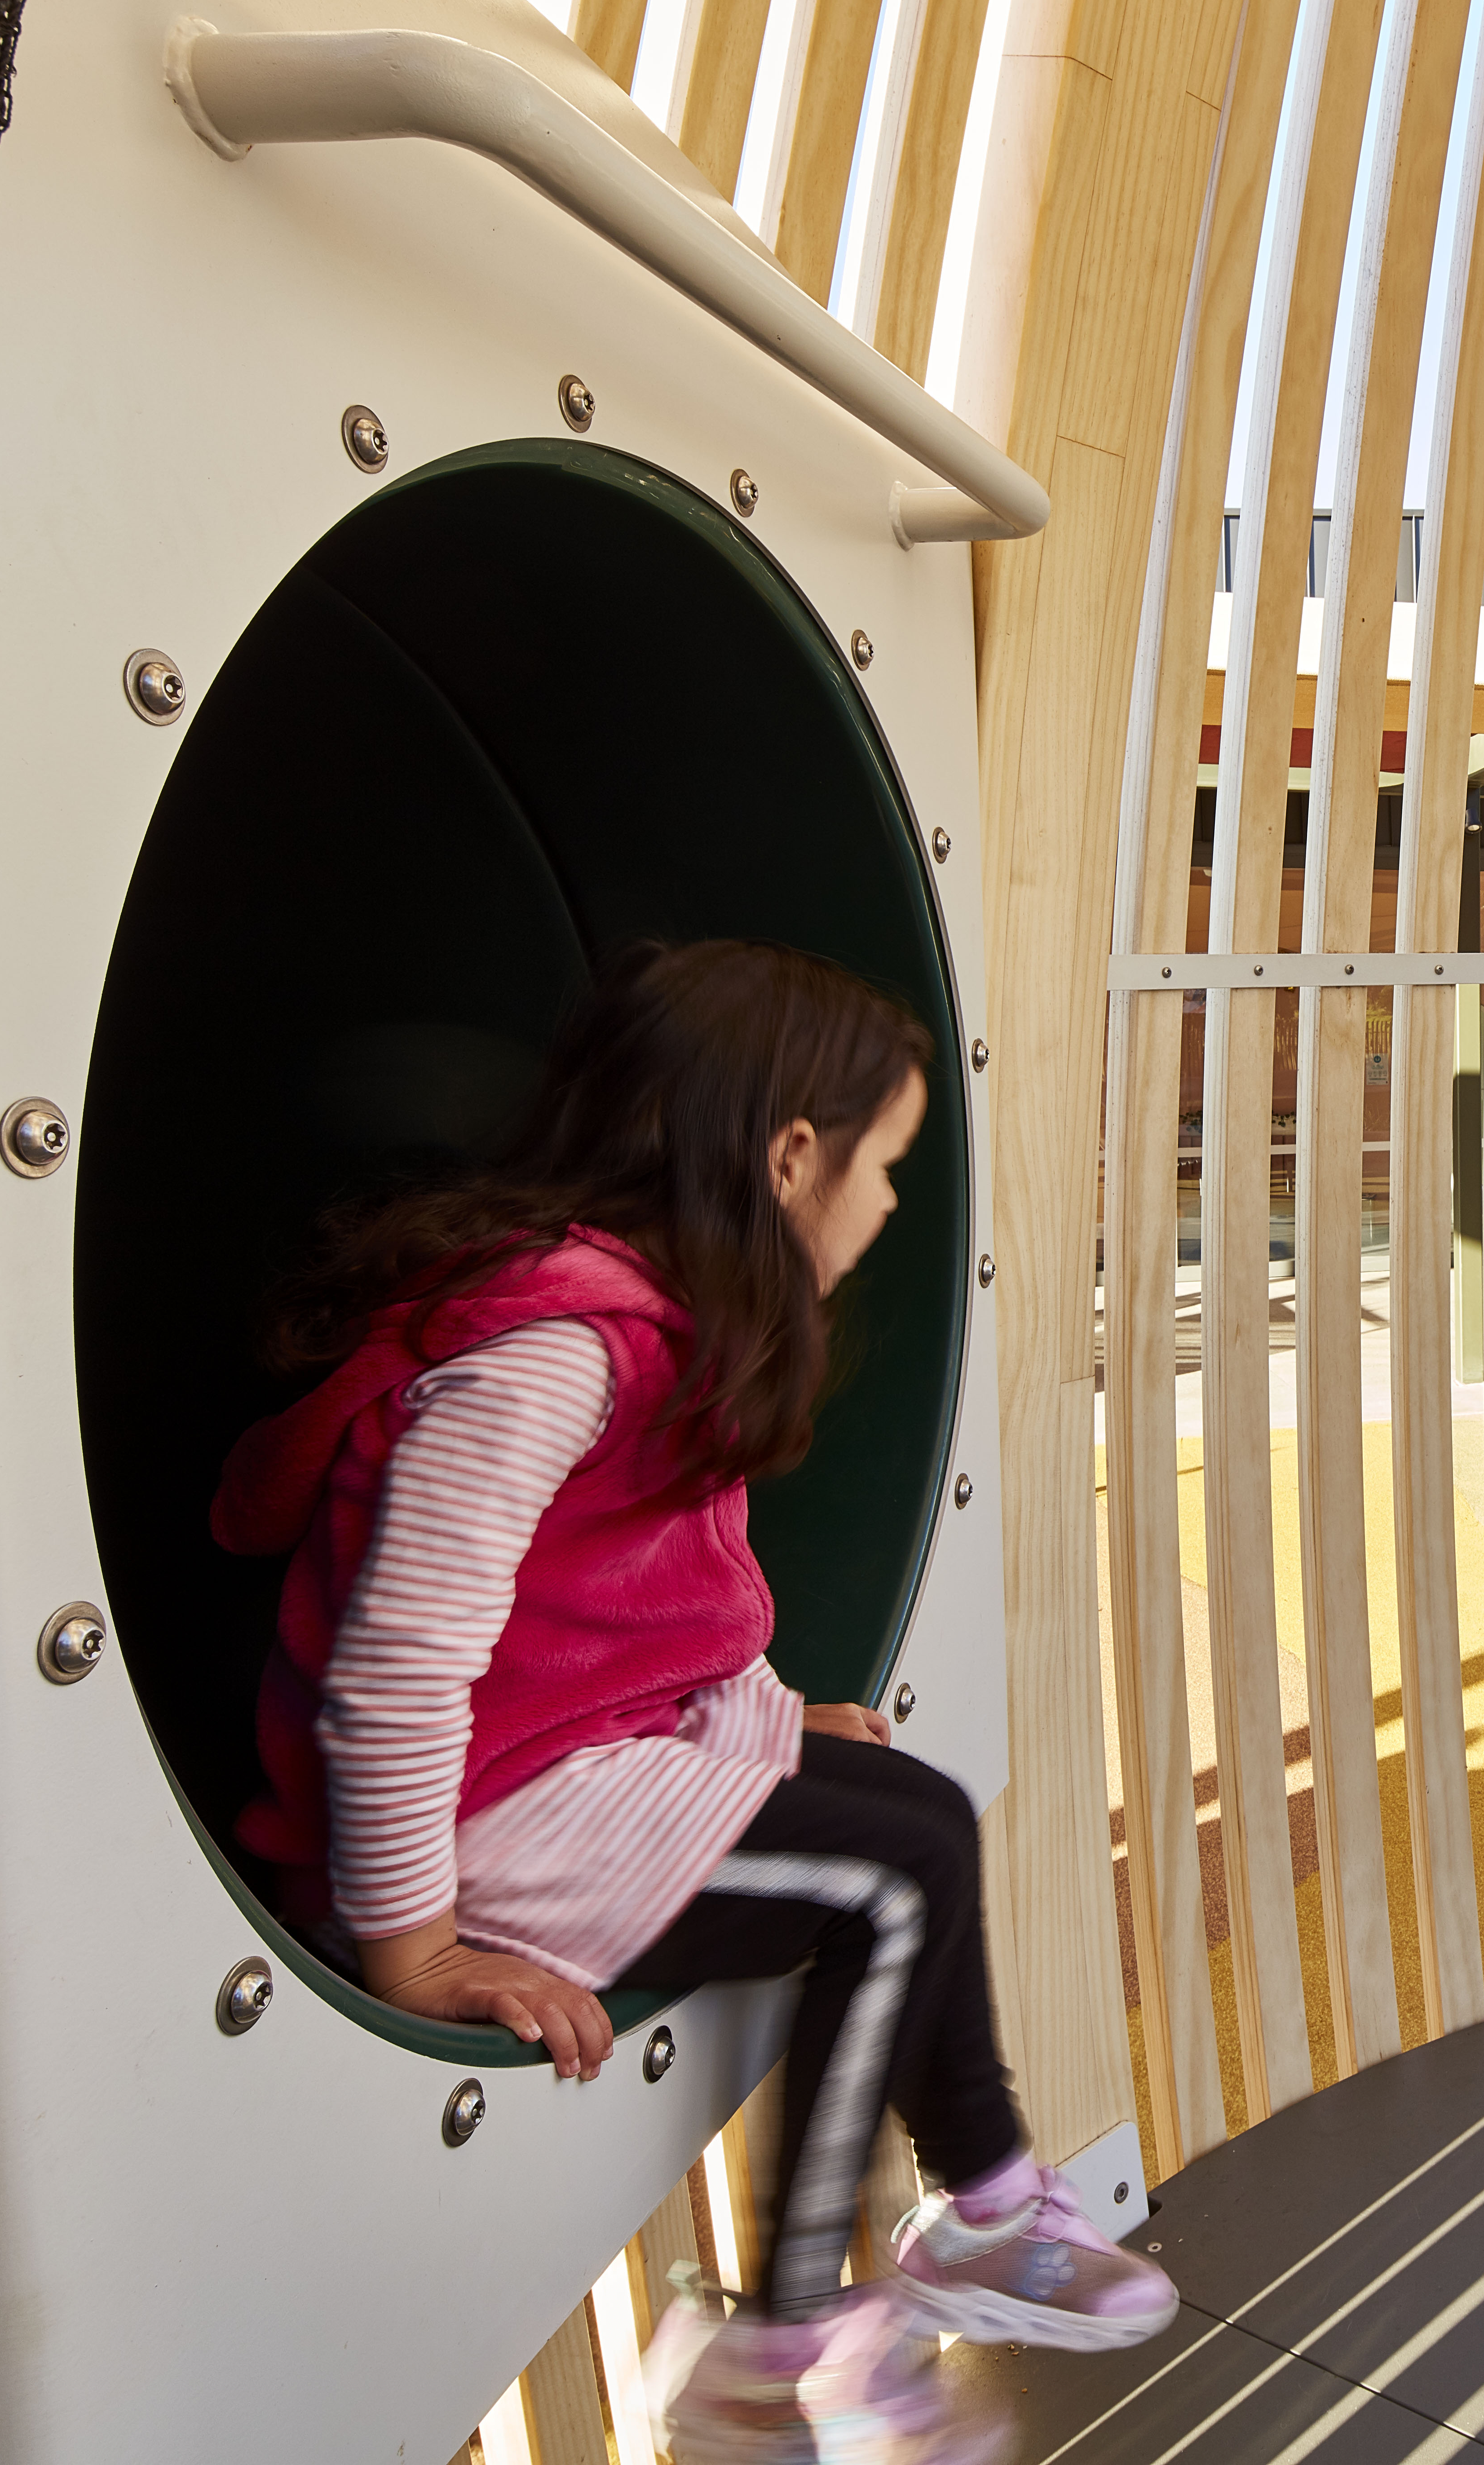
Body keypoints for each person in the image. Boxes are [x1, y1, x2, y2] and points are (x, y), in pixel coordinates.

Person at [214, 939, 1168, 2460]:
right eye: (886, 1164)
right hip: (462, 1826)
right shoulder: (551, 1353)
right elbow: (400, 1672)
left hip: (555, 1768)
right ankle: (807, 2329)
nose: (894, 1203)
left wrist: (779, 1725)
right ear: (794, 1158)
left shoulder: (665, 1325)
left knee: (899, 1826)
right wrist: (414, 1952)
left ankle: (976, 2212)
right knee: (898, 1860)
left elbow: (664, 1602)